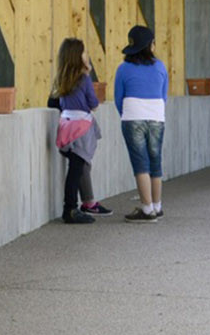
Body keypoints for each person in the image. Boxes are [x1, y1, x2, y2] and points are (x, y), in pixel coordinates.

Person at [114, 26, 169, 221]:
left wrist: (127, 114)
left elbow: (118, 98)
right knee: (155, 161)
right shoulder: (160, 66)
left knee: (140, 163)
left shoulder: (123, 68)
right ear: (150, 46)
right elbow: (164, 95)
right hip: (157, 117)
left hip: (132, 116)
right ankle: (157, 206)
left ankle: (146, 210)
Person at [50, 38, 101, 225]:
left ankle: (81, 204)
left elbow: (53, 101)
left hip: (65, 126)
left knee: (75, 167)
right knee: (76, 170)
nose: (86, 55)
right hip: (81, 129)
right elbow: (93, 104)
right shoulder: (83, 79)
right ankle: (70, 209)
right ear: (77, 56)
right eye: (83, 52)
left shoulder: (60, 78)